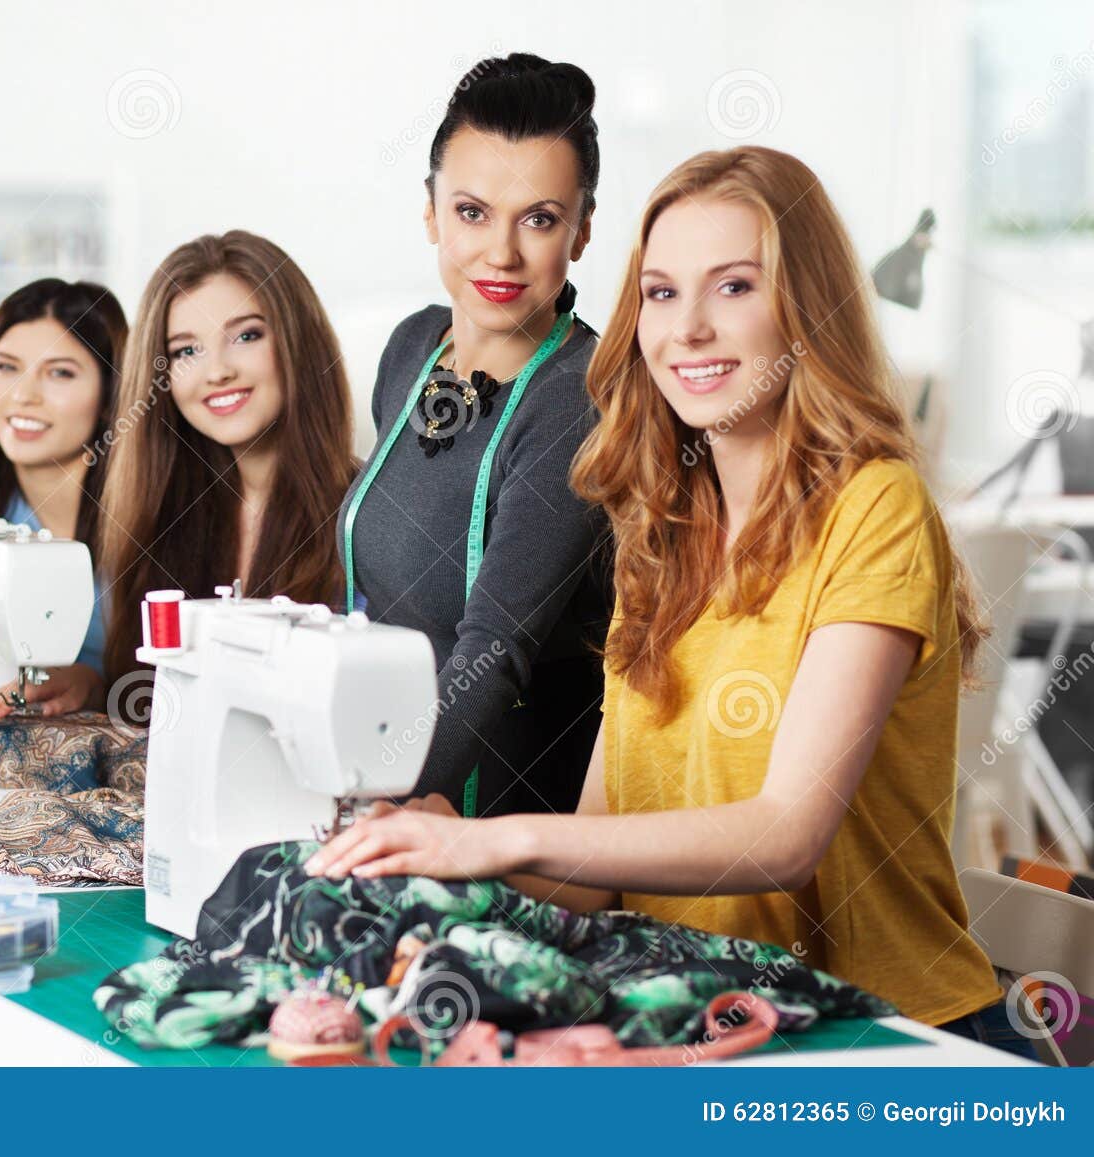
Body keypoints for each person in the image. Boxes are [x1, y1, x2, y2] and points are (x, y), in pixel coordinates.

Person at [307, 146, 1033, 1057]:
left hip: (886, 1036)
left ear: (806, 309)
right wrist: (449, 843)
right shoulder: (660, 536)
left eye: (733, 287)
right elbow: (599, 862)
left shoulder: (874, 507)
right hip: (701, 1019)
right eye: (659, 293)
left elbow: (783, 834)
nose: (687, 328)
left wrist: (492, 847)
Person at [338, 53, 612, 818]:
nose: (501, 252)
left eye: (540, 219)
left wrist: (390, 804)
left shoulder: (579, 399)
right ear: (430, 212)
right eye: (472, 212)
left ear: (582, 230)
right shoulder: (410, 349)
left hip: (489, 821)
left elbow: (493, 652)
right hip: (387, 779)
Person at [97, 230, 356, 694]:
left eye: (246, 335)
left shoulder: (367, 518)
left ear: (300, 343)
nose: (217, 370)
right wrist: (86, 684)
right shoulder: (160, 521)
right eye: (186, 351)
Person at [0, 279, 125, 720]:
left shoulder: (150, 521)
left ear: (112, 395)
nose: (23, 395)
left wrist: (95, 686)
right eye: (6, 367)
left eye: (60, 373)